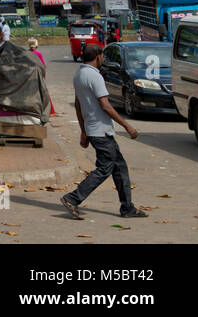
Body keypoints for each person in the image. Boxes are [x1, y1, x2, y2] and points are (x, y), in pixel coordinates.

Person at [61, 43, 146, 220]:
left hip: (95, 130)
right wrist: (127, 126)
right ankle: (73, 198)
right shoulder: (94, 76)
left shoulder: (79, 74)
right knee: (105, 168)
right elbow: (105, 105)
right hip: (100, 131)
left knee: (119, 167)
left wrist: (83, 131)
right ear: (98, 56)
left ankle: (127, 207)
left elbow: (78, 105)